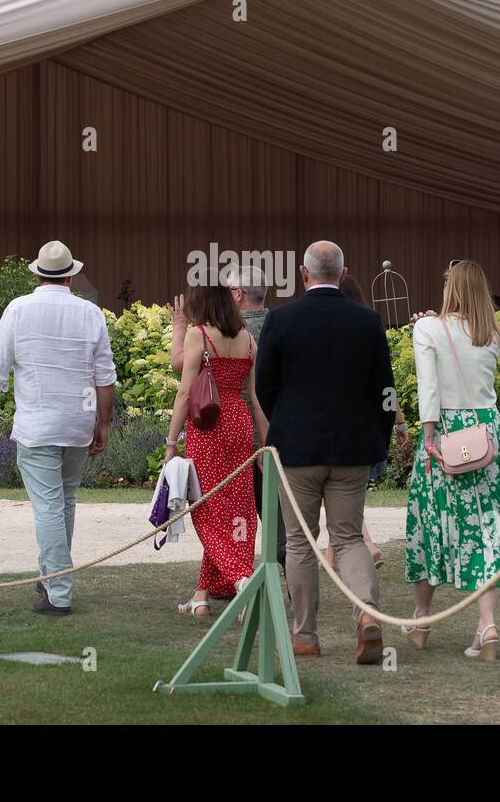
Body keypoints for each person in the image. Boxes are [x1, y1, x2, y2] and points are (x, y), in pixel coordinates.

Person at [256, 241, 395, 664]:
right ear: (343, 271)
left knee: (300, 541)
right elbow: (385, 392)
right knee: (349, 538)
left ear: (303, 274)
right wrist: (379, 437)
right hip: (352, 447)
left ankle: (305, 636)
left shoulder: (281, 320)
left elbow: (264, 385)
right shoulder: (368, 321)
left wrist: (286, 421)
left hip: (297, 447)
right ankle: (367, 618)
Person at [0, 240, 117, 617]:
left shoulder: (19, 309)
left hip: (39, 423)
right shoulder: (90, 313)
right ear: (71, 276)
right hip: (77, 421)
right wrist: (103, 423)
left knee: (50, 506)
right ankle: (52, 576)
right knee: (64, 502)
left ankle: (59, 591)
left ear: (37, 274)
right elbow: (106, 378)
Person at [403, 260, 500, 659]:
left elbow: (428, 386)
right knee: (490, 527)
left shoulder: (427, 329)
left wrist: (428, 433)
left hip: (447, 433)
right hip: (487, 434)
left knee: (432, 521)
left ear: (450, 288)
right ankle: (486, 626)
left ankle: (421, 617)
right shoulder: (493, 332)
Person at [164, 279, 268, 616]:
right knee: (236, 508)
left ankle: (241, 580)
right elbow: (256, 398)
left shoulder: (200, 334)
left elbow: (184, 393)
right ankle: (201, 596)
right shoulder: (248, 340)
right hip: (240, 423)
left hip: (208, 426)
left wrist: (170, 444)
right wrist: (264, 443)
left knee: (206, 509)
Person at [336, 274, 406, 569]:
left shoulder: (332, 331)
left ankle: (366, 541)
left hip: (337, 421)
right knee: (350, 492)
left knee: (341, 493)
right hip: (367, 424)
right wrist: (398, 422)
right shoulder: (372, 328)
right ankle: (338, 556)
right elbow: (386, 385)